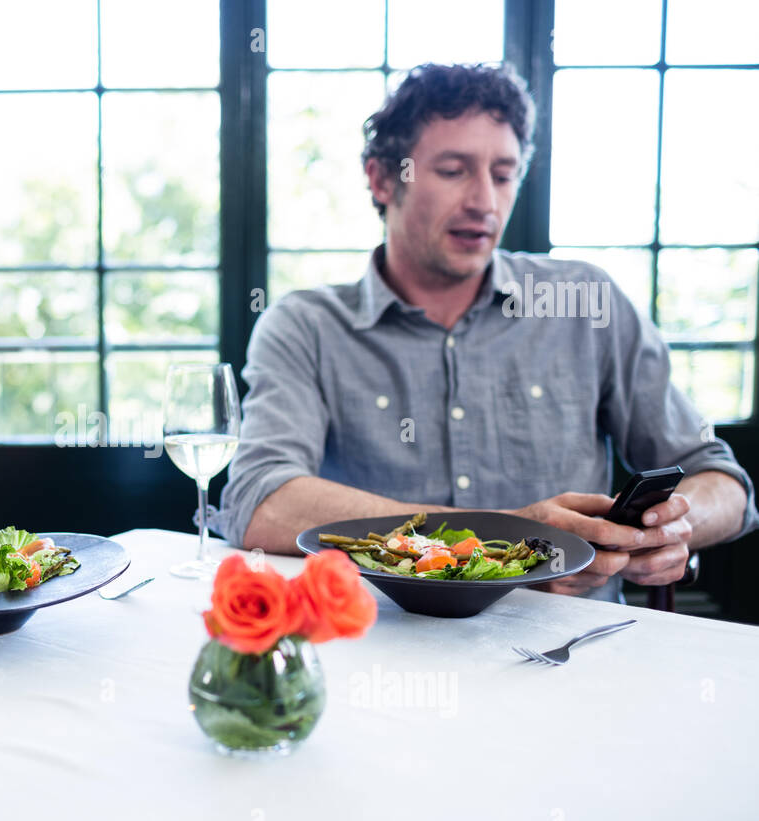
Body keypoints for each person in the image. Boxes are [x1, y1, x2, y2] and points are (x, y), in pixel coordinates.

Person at [216, 63, 757, 600]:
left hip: (572, 658)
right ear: (382, 178)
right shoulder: (306, 325)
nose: (484, 202)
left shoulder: (586, 300)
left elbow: (723, 484)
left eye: (503, 175)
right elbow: (262, 502)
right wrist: (511, 533)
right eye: (453, 171)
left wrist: (670, 530)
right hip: (381, 645)